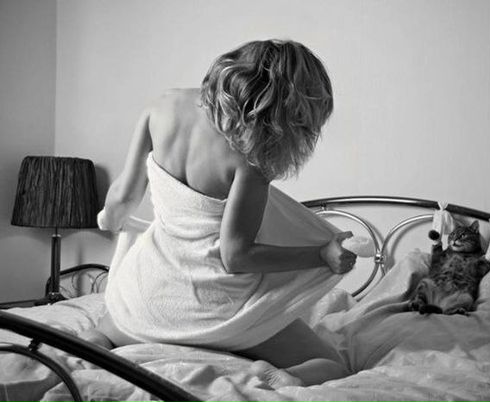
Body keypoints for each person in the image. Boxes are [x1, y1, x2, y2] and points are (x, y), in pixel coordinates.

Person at [81, 39, 357, 388]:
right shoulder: (250, 157)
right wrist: (321, 254)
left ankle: (89, 352)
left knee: (100, 332)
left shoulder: (164, 105)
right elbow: (236, 256)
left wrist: (110, 219)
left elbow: (123, 198)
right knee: (333, 365)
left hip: (149, 296)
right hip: (214, 308)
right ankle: (283, 377)